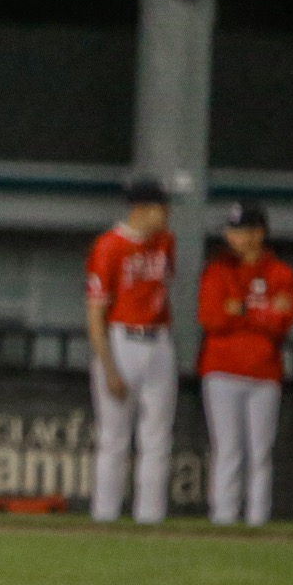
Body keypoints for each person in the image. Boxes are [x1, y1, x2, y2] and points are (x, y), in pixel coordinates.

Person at [195, 201, 293, 526]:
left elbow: (283, 321)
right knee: (228, 450)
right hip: (222, 370)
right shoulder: (217, 270)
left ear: (258, 234)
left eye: (239, 231)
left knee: (260, 453)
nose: (232, 237)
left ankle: (257, 520)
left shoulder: (280, 273)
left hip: (264, 372)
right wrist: (262, 311)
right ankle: (224, 518)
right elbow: (211, 318)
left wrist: (240, 310)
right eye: (232, 230)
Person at [85, 178, 177, 523]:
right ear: (140, 209)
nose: (167, 213)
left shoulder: (166, 242)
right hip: (121, 341)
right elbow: (95, 314)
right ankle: (104, 517)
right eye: (161, 207)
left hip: (159, 341)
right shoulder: (109, 246)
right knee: (114, 439)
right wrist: (108, 368)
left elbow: (163, 294)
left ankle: (150, 519)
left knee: (157, 439)